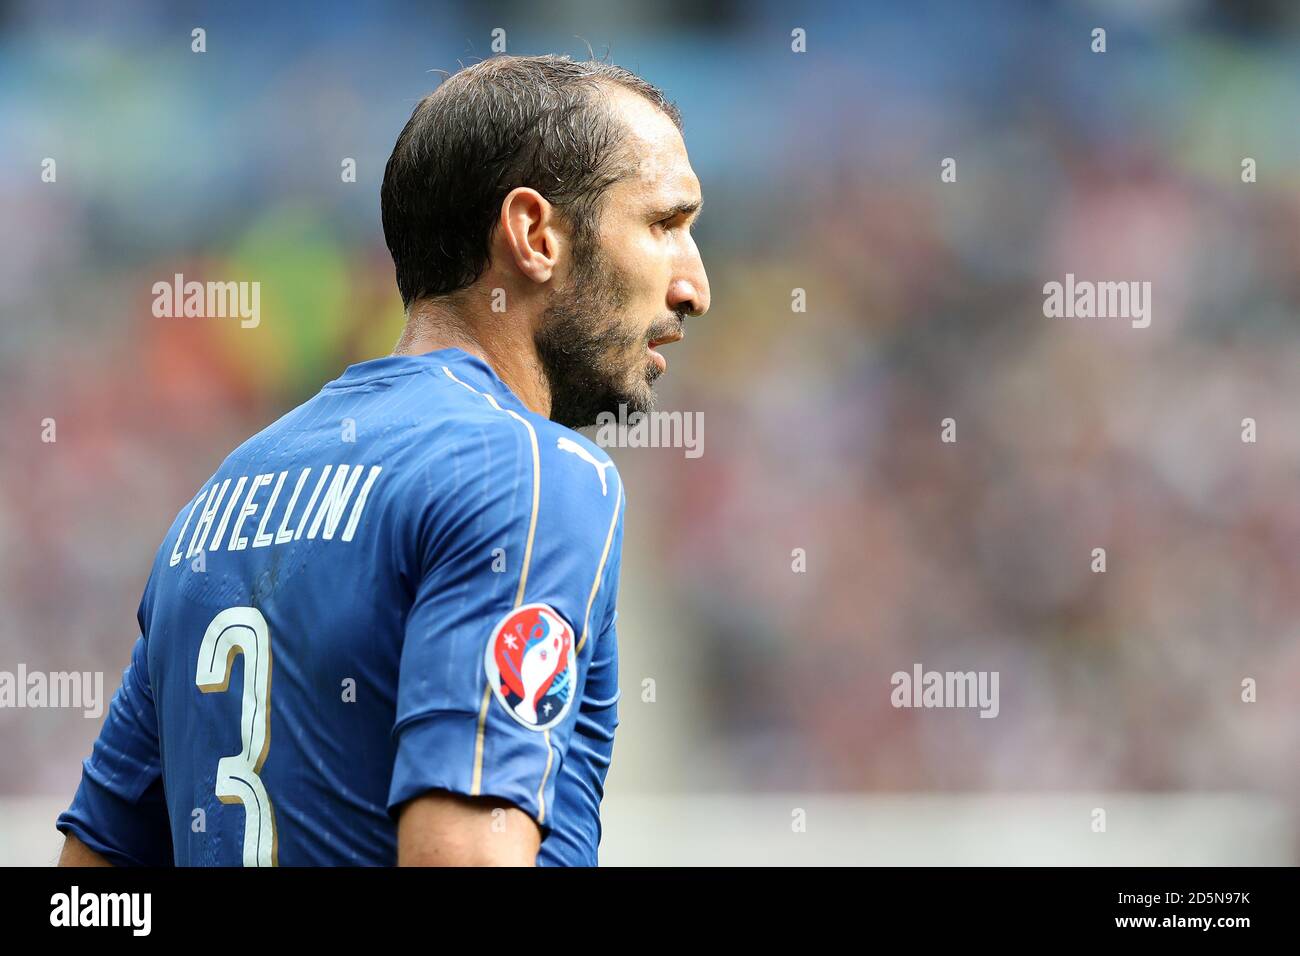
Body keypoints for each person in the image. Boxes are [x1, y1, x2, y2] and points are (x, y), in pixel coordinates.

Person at [54, 53, 709, 867]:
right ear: (535, 235)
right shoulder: (531, 472)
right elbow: (461, 858)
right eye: (664, 225)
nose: (694, 285)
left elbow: (88, 885)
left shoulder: (219, 499)